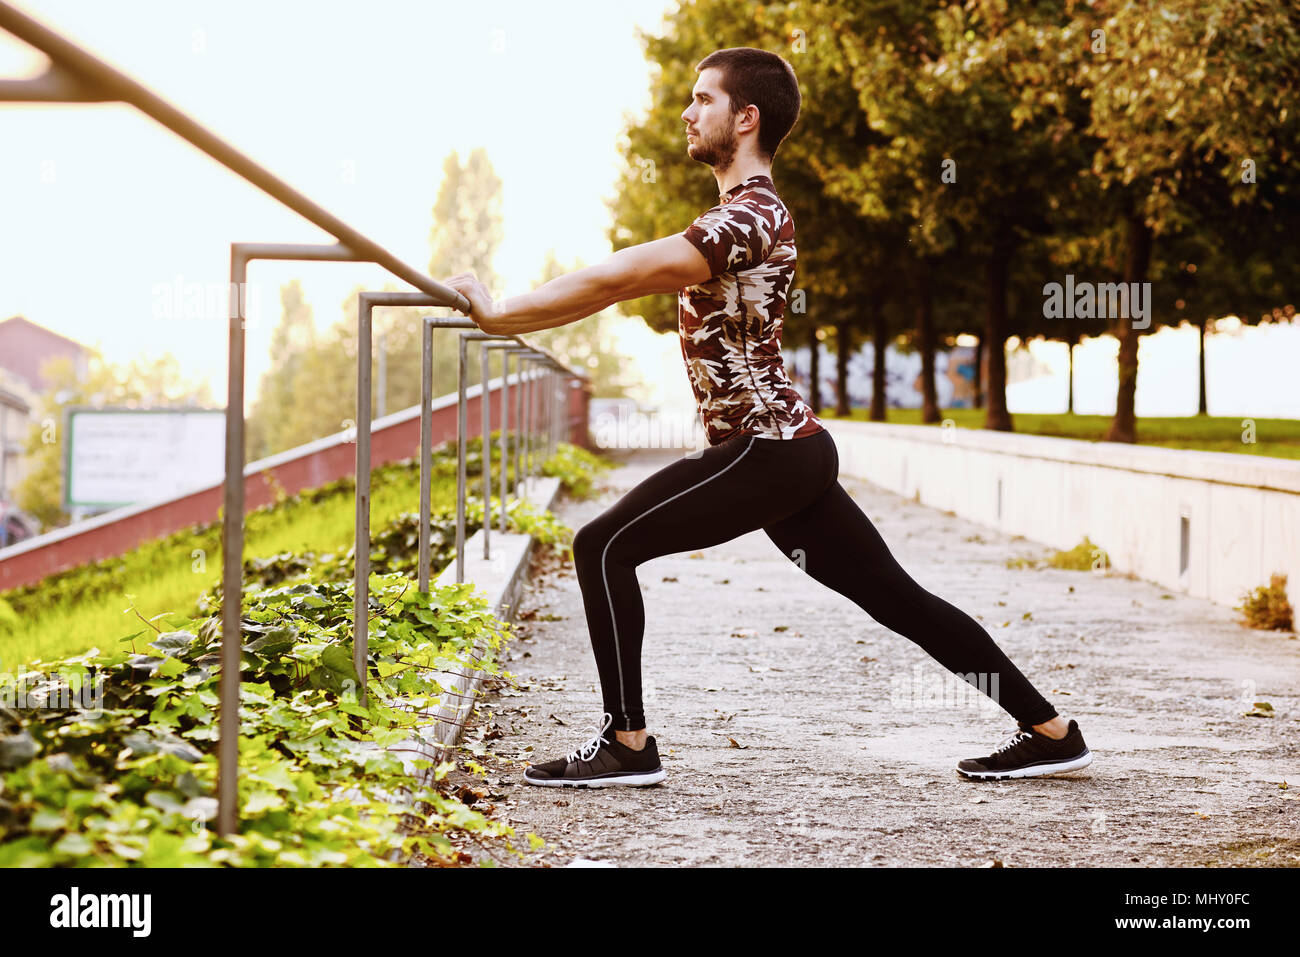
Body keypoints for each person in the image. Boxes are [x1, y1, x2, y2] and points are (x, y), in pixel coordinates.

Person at [442, 47, 1092, 788]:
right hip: (787, 450)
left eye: (702, 99)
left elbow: (620, 273)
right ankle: (1050, 730)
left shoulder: (751, 215)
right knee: (897, 598)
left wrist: (502, 313)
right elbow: (608, 289)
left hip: (770, 449)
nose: (687, 113)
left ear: (745, 118)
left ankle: (627, 743)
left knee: (601, 544)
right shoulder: (737, 215)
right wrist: (506, 320)